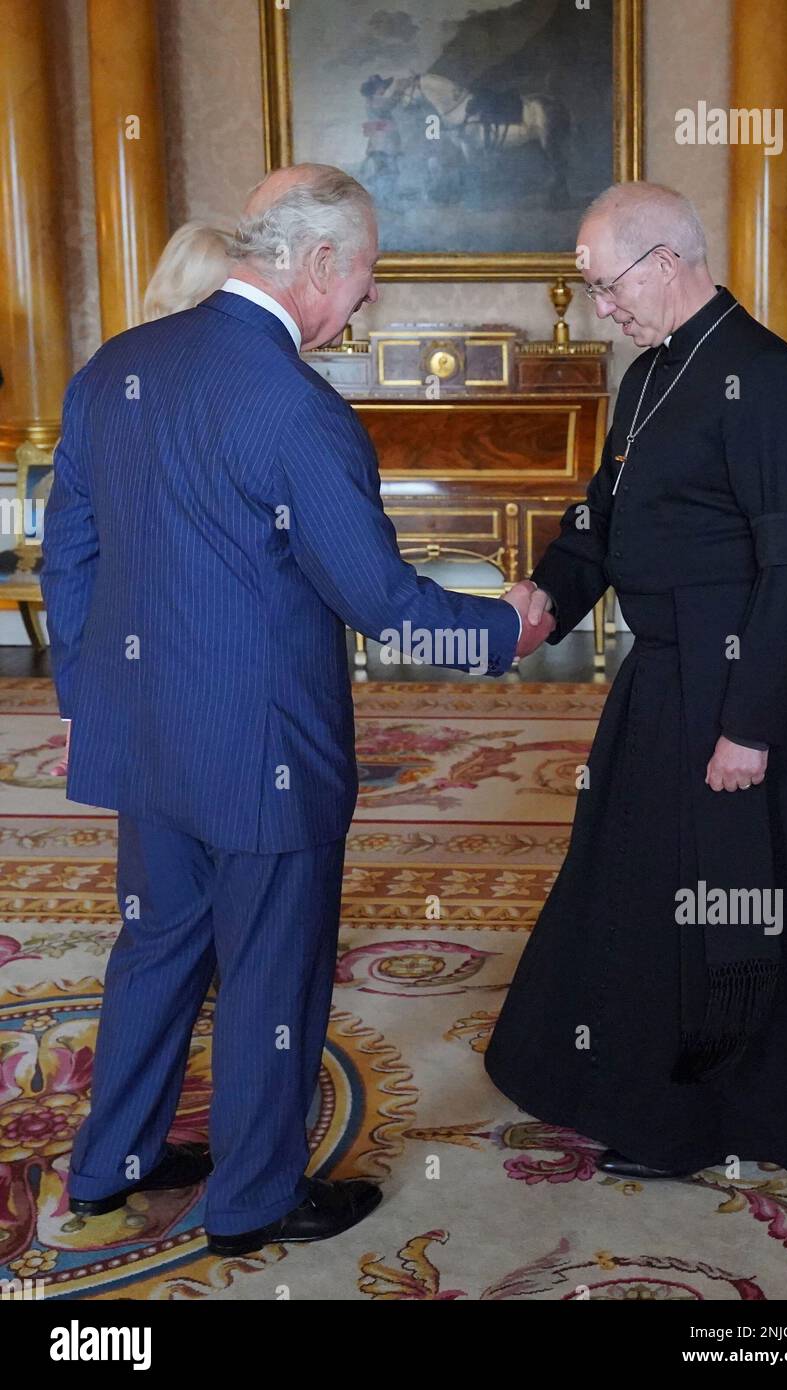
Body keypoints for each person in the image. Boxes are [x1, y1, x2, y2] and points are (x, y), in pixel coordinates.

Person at [40, 163, 552, 1258]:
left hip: (145, 739)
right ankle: (255, 1199)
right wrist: (506, 629)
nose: (368, 295)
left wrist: (91, 699)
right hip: (261, 751)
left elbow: (69, 553)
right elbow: (382, 604)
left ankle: (107, 1168)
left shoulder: (115, 368)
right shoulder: (299, 408)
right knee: (273, 968)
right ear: (316, 261)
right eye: (365, 270)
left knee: (156, 950)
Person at [485, 181, 787, 1182]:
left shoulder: (771, 381)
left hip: (730, 682)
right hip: (657, 676)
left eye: (607, 285)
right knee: (633, 888)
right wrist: (544, 601)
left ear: (663, 261)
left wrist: (747, 726)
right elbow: (596, 525)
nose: (600, 306)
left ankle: (699, 1120)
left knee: (719, 905)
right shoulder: (647, 377)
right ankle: (625, 1090)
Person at [48, 221, 233, 781]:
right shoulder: (253, 389)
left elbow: (69, 555)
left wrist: (79, 701)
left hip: (133, 658)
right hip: (226, 660)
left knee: (158, 846)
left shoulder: (97, 381)